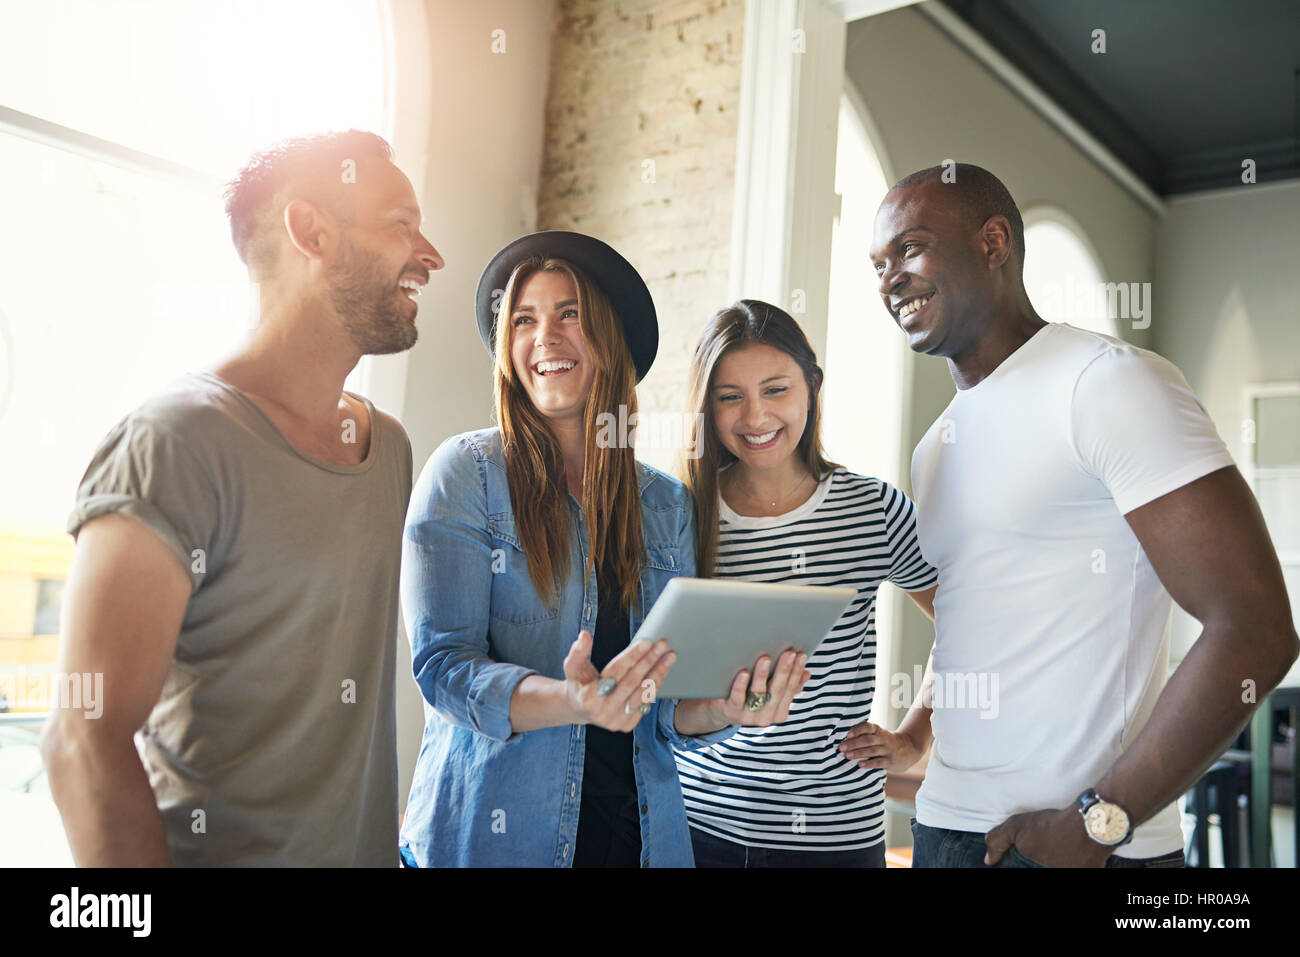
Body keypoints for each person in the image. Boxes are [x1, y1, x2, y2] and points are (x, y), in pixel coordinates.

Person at [866, 162, 1299, 867]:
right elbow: (974, 622)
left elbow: (1255, 630)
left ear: (994, 242)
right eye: (878, 264)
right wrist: (918, 736)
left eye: (909, 249)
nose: (889, 279)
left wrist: (1099, 819)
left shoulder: (1108, 383)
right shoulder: (933, 446)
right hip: (945, 833)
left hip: (1079, 848)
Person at [41, 130, 444, 866]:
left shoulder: (386, 447)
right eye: (401, 224)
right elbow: (80, 738)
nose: (430, 254)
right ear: (312, 231)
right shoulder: (173, 443)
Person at [398, 231, 808, 867]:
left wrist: (724, 708)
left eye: (570, 314)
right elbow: (444, 670)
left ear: (610, 342)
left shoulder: (667, 506)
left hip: (641, 844)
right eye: (525, 320)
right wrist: (572, 701)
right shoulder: (465, 473)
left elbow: (662, 715)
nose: (545, 338)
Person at [673, 299, 937, 868]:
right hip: (695, 825)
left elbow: (970, 625)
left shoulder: (873, 509)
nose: (755, 417)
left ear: (811, 386)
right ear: (707, 407)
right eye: (729, 397)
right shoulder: (680, 514)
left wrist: (916, 737)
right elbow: (659, 678)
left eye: (775, 389)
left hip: (832, 839)